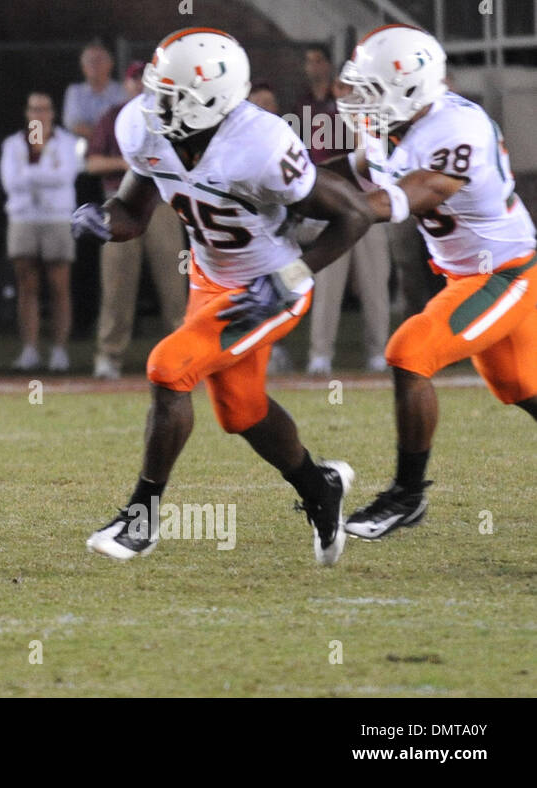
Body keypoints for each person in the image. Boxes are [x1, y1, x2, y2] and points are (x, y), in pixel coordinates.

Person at [72, 28, 370, 564]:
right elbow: (134, 214)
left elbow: (355, 213)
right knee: (242, 411)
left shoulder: (260, 144)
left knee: (169, 367)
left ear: (212, 98)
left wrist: (296, 275)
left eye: (170, 96)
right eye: (155, 91)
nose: (154, 105)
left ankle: (142, 517)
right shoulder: (143, 127)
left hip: (268, 286)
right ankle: (319, 487)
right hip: (211, 281)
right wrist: (101, 219)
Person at [335, 24, 537, 540]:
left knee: (410, 352)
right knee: (519, 385)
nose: (362, 100)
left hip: (505, 271)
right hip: (468, 273)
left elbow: (395, 201)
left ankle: (407, 496)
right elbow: (349, 173)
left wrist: (314, 216)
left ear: (409, 88)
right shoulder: (394, 127)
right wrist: (284, 188)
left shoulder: (457, 128)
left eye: (373, 90)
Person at [86, 60, 186, 379]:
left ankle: (185, 355)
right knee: (116, 283)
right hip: (121, 203)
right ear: (126, 85)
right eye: (135, 81)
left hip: (162, 203)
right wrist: (133, 164)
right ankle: (109, 355)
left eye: (146, 80)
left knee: (174, 284)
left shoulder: (170, 114)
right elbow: (92, 162)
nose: (140, 86)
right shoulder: (114, 116)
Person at [294, 45, 391, 375]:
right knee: (327, 284)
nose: (349, 92)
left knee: (376, 282)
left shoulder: (376, 114)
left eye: (355, 87)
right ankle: (320, 353)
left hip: (371, 206)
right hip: (334, 206)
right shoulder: (316, 111)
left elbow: (367, 156)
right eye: (345, 86)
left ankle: (378, 351)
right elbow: (317, 155)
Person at [0, 91, 80, 372]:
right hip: (23, 218)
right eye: (34, 109)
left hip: (57, 218)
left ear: (52, 113)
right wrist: (45, 176)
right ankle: (30, 349)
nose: (39, 115)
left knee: (59, 286)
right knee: (27, 285)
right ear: (27, 113)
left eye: (44, 109)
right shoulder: (12, 144)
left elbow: (66, 175)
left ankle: (59, 350)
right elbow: (11, 182)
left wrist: (30, 176)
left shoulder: (67, 143)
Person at [62, 41, 128, 139]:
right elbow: (73, 124)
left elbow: (124, 124)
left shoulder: (122, 91)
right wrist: (101, 137)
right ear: (83, 67)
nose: (94, 65)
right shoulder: (74, 92)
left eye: (99, 60)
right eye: (90, 61)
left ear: (110, 64)